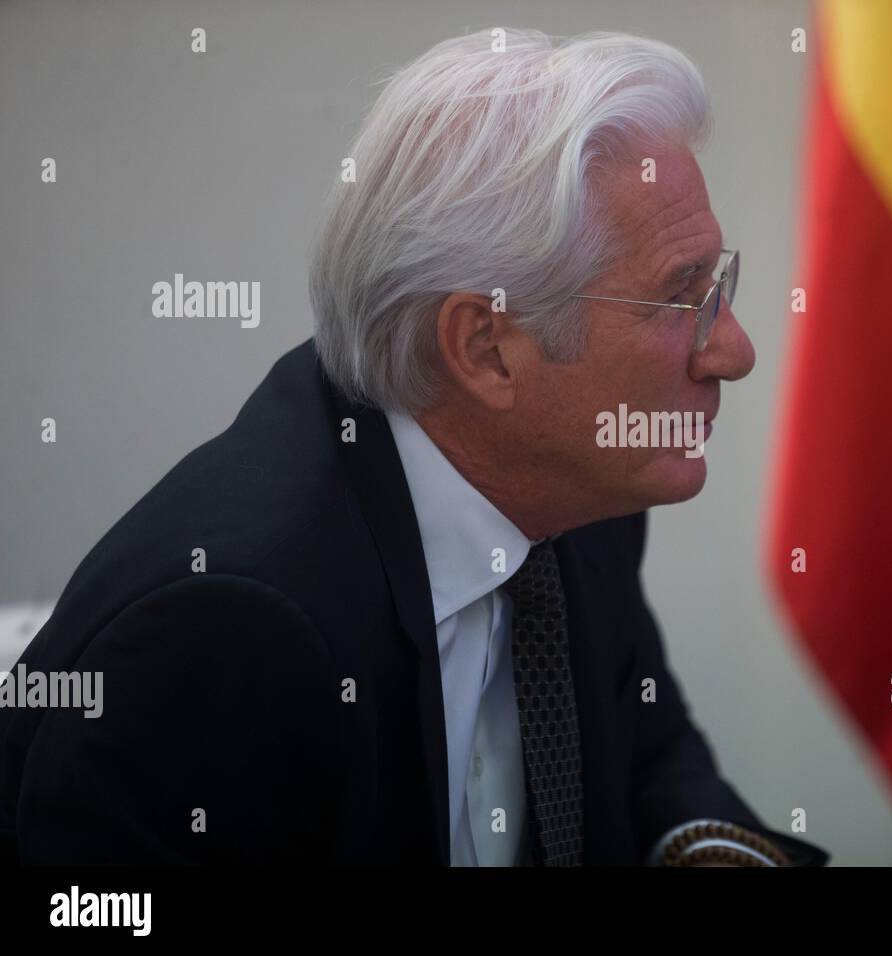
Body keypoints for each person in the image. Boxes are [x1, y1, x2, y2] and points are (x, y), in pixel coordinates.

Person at [0, 28, 828, 867]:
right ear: (485, 349)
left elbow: (640, 745)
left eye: (715, 285)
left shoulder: (577, 494)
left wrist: (704, 846)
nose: (734, 350)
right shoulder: (229, 628)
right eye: (677, 299)